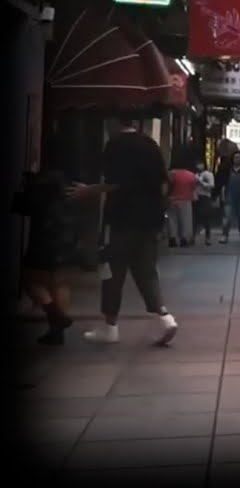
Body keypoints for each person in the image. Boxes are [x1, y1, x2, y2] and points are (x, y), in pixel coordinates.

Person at [67, 117, 178, 346]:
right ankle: (165, 317)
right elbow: (165, 181)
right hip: (150, 219)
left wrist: (88, 190)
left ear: (114, 123)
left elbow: (116, 183)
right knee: (146, 270)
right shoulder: (150, 144)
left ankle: (110, 326)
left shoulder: (116, 145)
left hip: (121, 218)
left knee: (111, 272)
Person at [13, 165, 77, 345]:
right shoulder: (66, 190)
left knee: (29, 280)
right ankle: (57, 331)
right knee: (59, 283)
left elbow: (22, 206)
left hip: (43, 242)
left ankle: (56, 316)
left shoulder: (42, 188)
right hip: (65, 241)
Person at [219, 151, 240, 244]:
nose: (237, 159)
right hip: (230, 195)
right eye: (235, 157)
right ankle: (224, 235)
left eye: (239, 157)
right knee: (227, 216)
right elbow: (222, 183)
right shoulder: (227, 170)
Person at [167, 162, 198, 247]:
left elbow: (167, 185)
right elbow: (194, 188)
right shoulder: (191, 175)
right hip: (186, 200)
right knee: (185, 220)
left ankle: (172, 238)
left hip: (172, 199)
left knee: (172, 220)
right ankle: (183, 238)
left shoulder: (171, 173)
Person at [194, 160, 216, 245]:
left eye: (201, 164)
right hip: (196, 197)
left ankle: (208, 237)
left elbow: (211, 186)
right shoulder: (195, 175)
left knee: (206, 218)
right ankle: (193, 236)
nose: (199, 166)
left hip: (205, 197)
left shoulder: (208, 174)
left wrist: (201, 181)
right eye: (198, 164)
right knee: (195, 217)